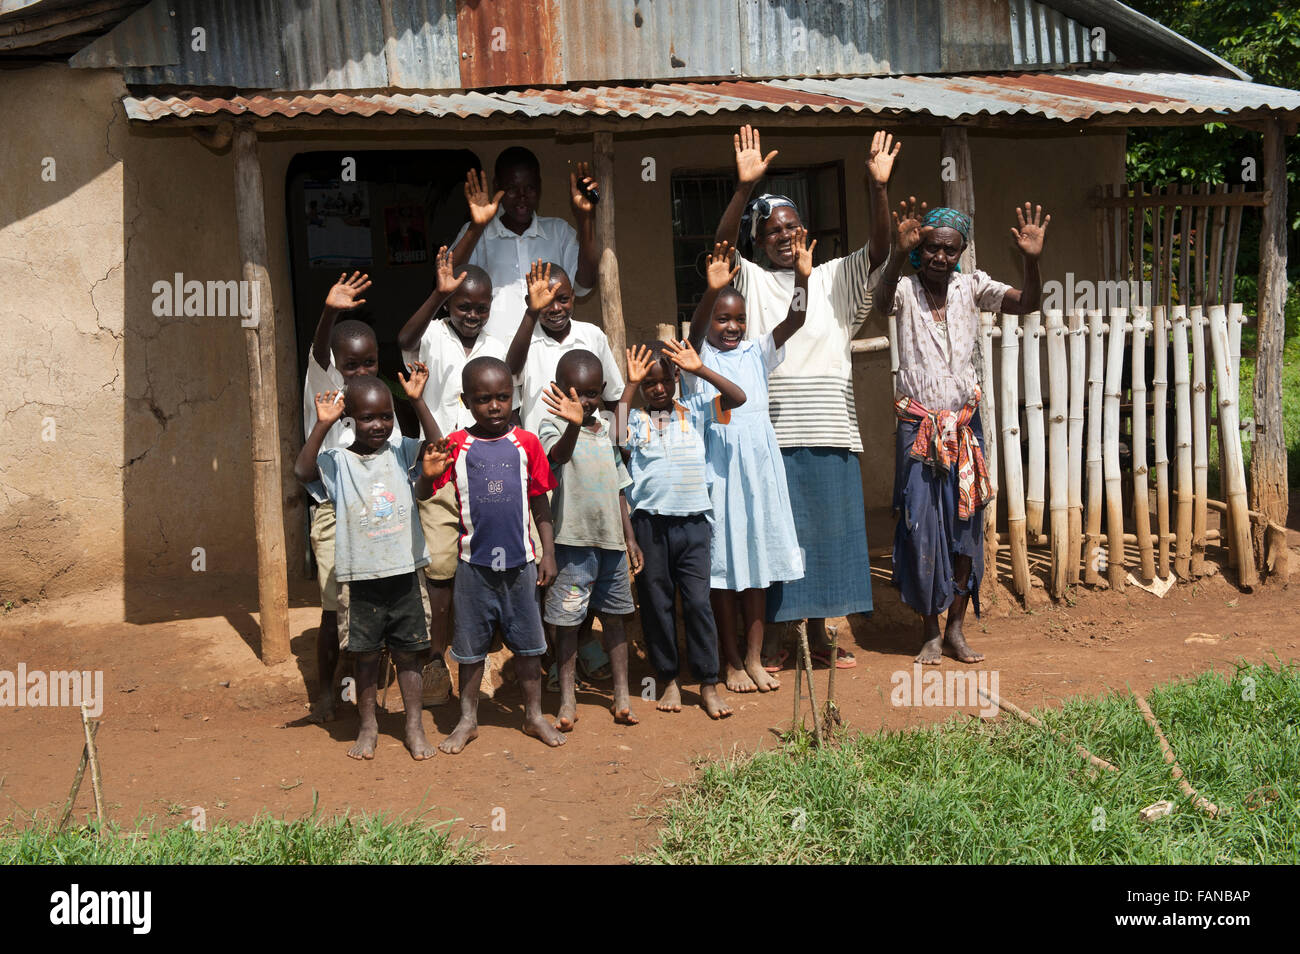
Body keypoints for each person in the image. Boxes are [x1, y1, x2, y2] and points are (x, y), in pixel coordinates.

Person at [712, 125, 899, 673]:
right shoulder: (746, 280)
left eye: (792, 226)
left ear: (806, 231)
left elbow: (883, 249)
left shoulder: (835, 276)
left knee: (829, 538)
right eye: (772, 230)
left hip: (832, 428)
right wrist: (745, 188)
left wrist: (879, 188)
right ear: (758, 239)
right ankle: (772, 641)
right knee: (779, 537)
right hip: (771, 433)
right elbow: (720, 248)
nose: (784, 236)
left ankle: (819, 637)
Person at [874, 198, 1049, 664]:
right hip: (918, 429)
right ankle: (928, 630)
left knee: (966, 529)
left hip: (965, 430)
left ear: (961, 252)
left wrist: (1032, 261)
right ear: (919, 247)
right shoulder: (904, 289)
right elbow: (877, 303)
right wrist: (895, 252)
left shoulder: (973, 287)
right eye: (931, 248)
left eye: (950, 250)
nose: (939, 258)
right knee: (920, 527)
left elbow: (1028, 303)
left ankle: (956, 628)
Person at [685, 232, 812, 693]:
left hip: (758, 473)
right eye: (723, 318)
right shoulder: (694, 358)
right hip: (718, 473)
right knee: (722, 567)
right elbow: (696, 332)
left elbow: (796, 318)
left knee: (756, 565)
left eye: (739, 318)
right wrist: (709, 291)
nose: (731, 326)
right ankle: (731, 661)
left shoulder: (758, 353)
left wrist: (802, 278)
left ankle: (756, 658)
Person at [295, 367, 443, 761]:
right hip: (359, 577)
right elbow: (302, 472)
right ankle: (368, 726)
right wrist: (322, 427)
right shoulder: (338, 462)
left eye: (386, 416)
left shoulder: (402, 453)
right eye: (367, 417)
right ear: (350, 419)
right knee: (365, 655)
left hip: (405, 572)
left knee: (409, 654)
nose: (378, 425)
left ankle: (414, 725)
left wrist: (418, 401)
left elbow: (439, 445)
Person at [420, 356, 566, 753]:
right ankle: (468, 719)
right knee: (470, 650)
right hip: (474, 569)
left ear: (513, 398)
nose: (495, 406)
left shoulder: (527, 444)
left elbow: (540, 504)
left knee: (530, 646)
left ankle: (534, 715)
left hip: (520, 566)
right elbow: (426, 492)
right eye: (484, 399)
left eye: (503, 397)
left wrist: (547, 553)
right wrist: (425, 477)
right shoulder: (457, 446)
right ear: (466, 400)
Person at [397, 247, 509, 698]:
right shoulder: (433, 337)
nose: (473, 315)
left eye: (481, 308)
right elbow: (404, 340)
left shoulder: (495, 345)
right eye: (463, 306)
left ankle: (483, 648)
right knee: (441, 565)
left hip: (484, 464)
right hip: (442, 464)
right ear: (448, 305)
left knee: (485, 560)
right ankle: (434, 658)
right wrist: (435, 293)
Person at [302, 273, 409, 723]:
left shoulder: (383, 404)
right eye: (351, 366)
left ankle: (361, 686)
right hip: (333, 513)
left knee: (374, 601)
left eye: (369, 363)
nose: (361, 372)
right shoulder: (325, 390)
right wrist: (329, 311)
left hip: (379, 517)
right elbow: (322, 352)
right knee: (333, 607)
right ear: (335, 366)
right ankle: (325, 693)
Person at [619, 339, 744, 719]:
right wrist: (628, 384)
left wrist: (700, 370)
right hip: (650, 525)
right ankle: (669, 678)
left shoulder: (696, 409)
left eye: (663, 380)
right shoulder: (635, 419)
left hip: (693, 523)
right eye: (649, 384)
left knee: (696, 602)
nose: (657, 388)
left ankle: (707, 682)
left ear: (676, 377)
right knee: (656, 604)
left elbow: (737, 397)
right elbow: (612, 438)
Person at [538, 350, 644, 729]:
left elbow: (619, 488)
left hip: (612, 546)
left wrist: (629, 537)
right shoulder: (552, 427)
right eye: (575, 393)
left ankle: (622, 696)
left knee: (615, 620)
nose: (584, 401)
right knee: (567, 625)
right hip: (572, 546)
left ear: (600, 392)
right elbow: (559, 457)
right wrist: (572, 424)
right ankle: (567, 699)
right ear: (557, 391)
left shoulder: (607, 434)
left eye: (591, 394)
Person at [450, 147, 600, 345]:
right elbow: (448, 282)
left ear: (539, 186)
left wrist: (585, 219)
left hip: (548, 351)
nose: (522, 196)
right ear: (497, 187)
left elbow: (584, 285)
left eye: (529, 188)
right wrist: (477, 227)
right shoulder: (477, 233)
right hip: (494, 353)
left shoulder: (558, 231)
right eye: (512, 189)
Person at [507, 260, 624, 434]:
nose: (555, 308)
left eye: (563, 300)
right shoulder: (522, 341)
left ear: (573, 296)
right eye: (545, 303)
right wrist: (532, 311)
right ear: (529, 302)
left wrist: (619, 442)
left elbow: (613, 396)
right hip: (542, 447)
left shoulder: (592, 335)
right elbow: (512, 372)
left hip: (590, 449)